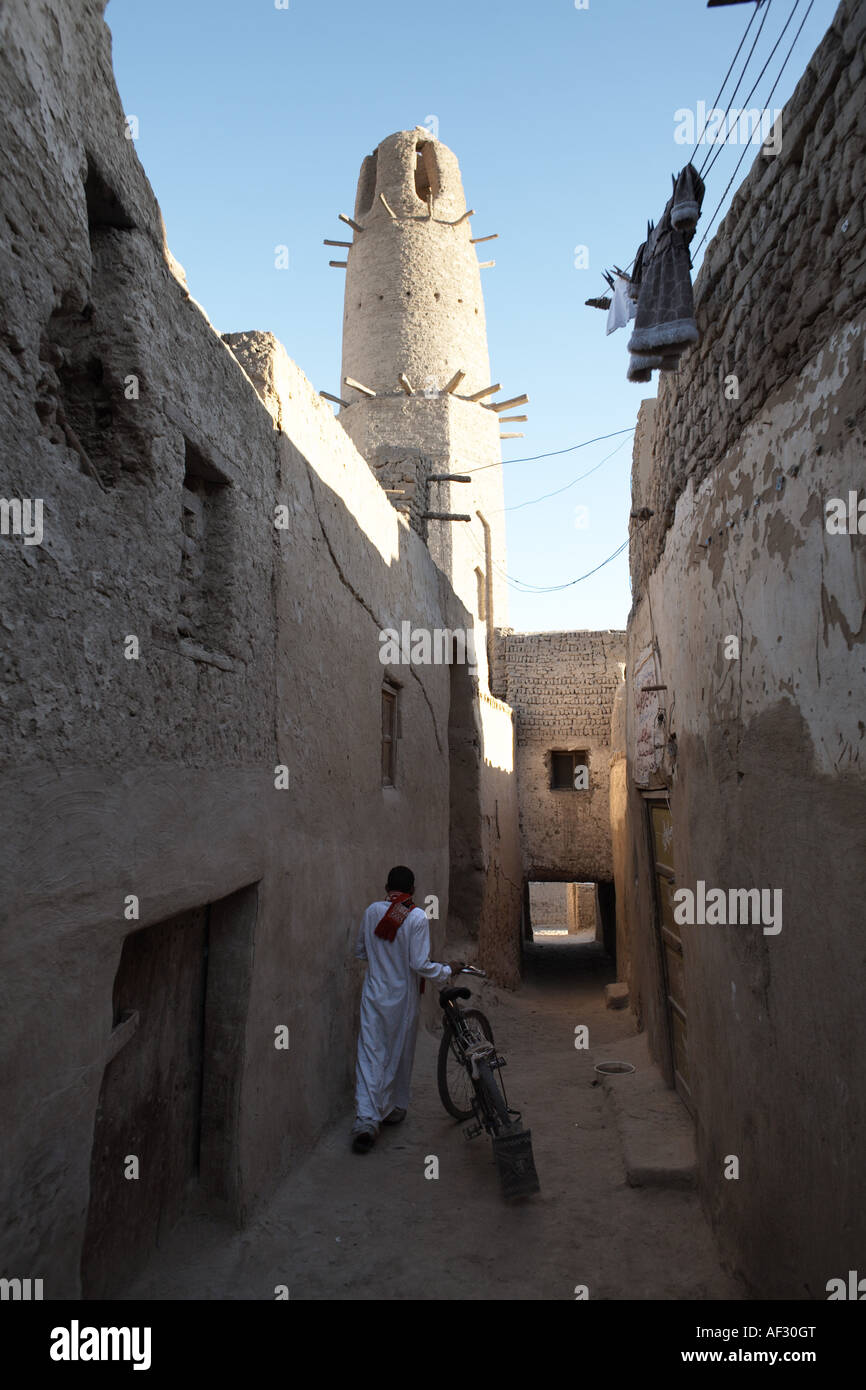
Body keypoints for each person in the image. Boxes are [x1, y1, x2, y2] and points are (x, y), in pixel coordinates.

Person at [351, 866, 463, 1153]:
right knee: (397, 1052)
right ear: (412, 890)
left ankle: (367, 1118)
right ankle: (391, 1107)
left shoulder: (371, 912)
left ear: (386, 886)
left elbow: (361, 952)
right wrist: (447, 970)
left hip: (374, 995)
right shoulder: (416, 917)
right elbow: (420, 965)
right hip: (402, 998)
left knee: (370, 1053)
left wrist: (382, 958)